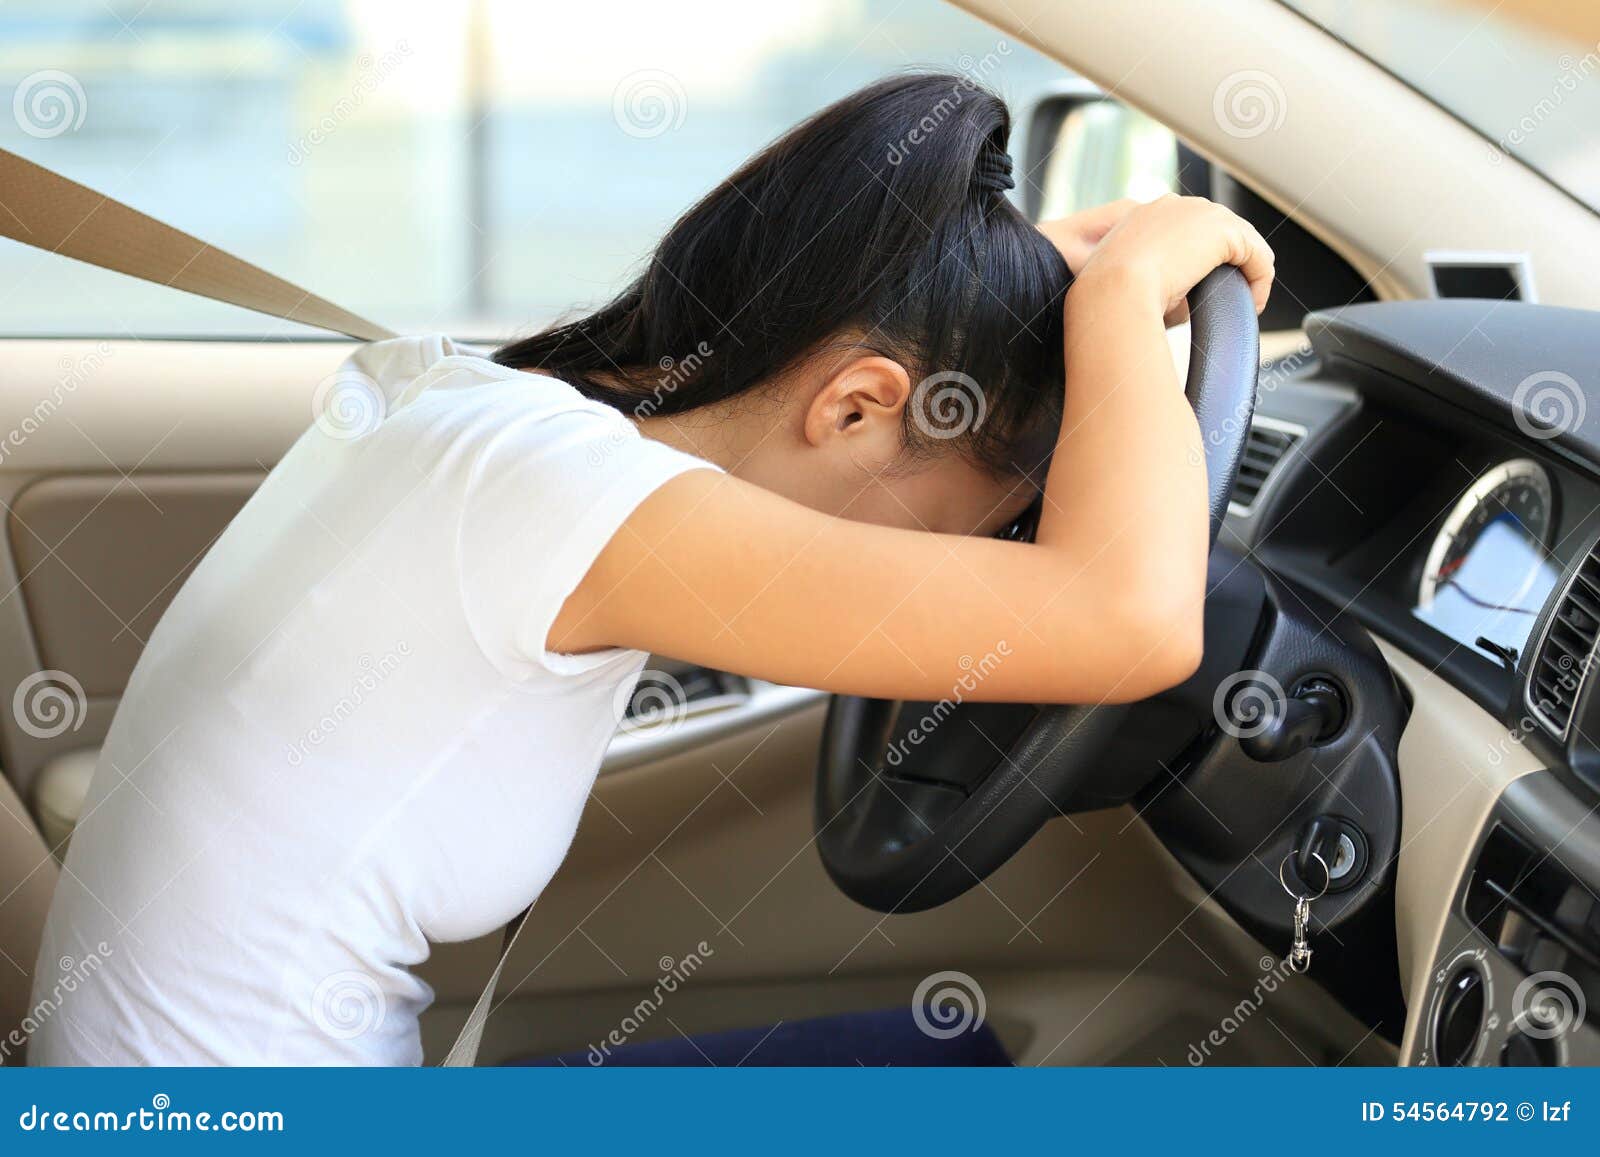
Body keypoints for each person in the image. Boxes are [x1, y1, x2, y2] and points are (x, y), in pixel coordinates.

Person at [31, 72, 1272, 1065]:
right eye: (962, 525)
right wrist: (1113, 301)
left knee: (935, 1055)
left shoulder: (478, 408)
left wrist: (1014, 286)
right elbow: (1133, 620)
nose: (952, 568)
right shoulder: (590, 506)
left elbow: (870, 319)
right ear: (853, 408)